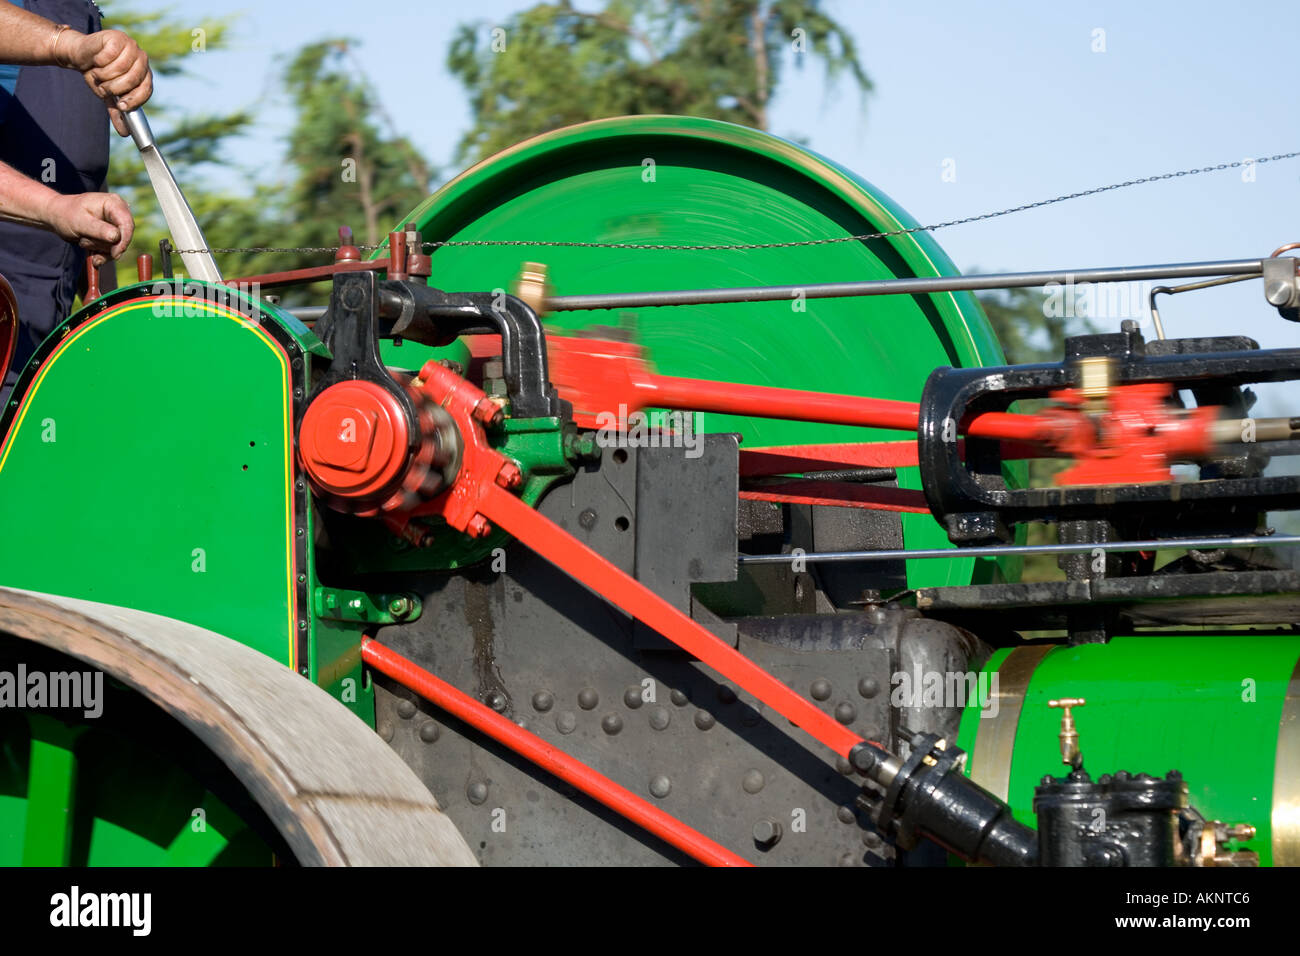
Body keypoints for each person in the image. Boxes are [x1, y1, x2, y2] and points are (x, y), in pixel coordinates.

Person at [0, 1, 152, 393]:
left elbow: (81, 181)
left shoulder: (83, 14)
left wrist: (114, 313)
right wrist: (67, 46)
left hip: (47, 334)